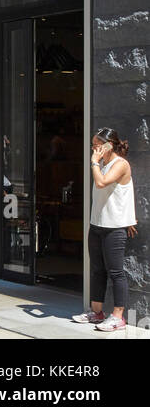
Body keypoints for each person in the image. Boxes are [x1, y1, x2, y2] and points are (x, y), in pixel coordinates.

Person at [73, 128, 137, 332]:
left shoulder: (120, 164)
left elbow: (101, 183)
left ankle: (118, 316)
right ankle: (96, 312)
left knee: (116, 272)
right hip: (97, 224)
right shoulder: (102, 163)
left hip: (114, 227)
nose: (94, 149)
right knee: (97, 270)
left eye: (97, 145)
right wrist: (96, 161)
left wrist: (93, 161)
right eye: (93, 145)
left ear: (109, 145)